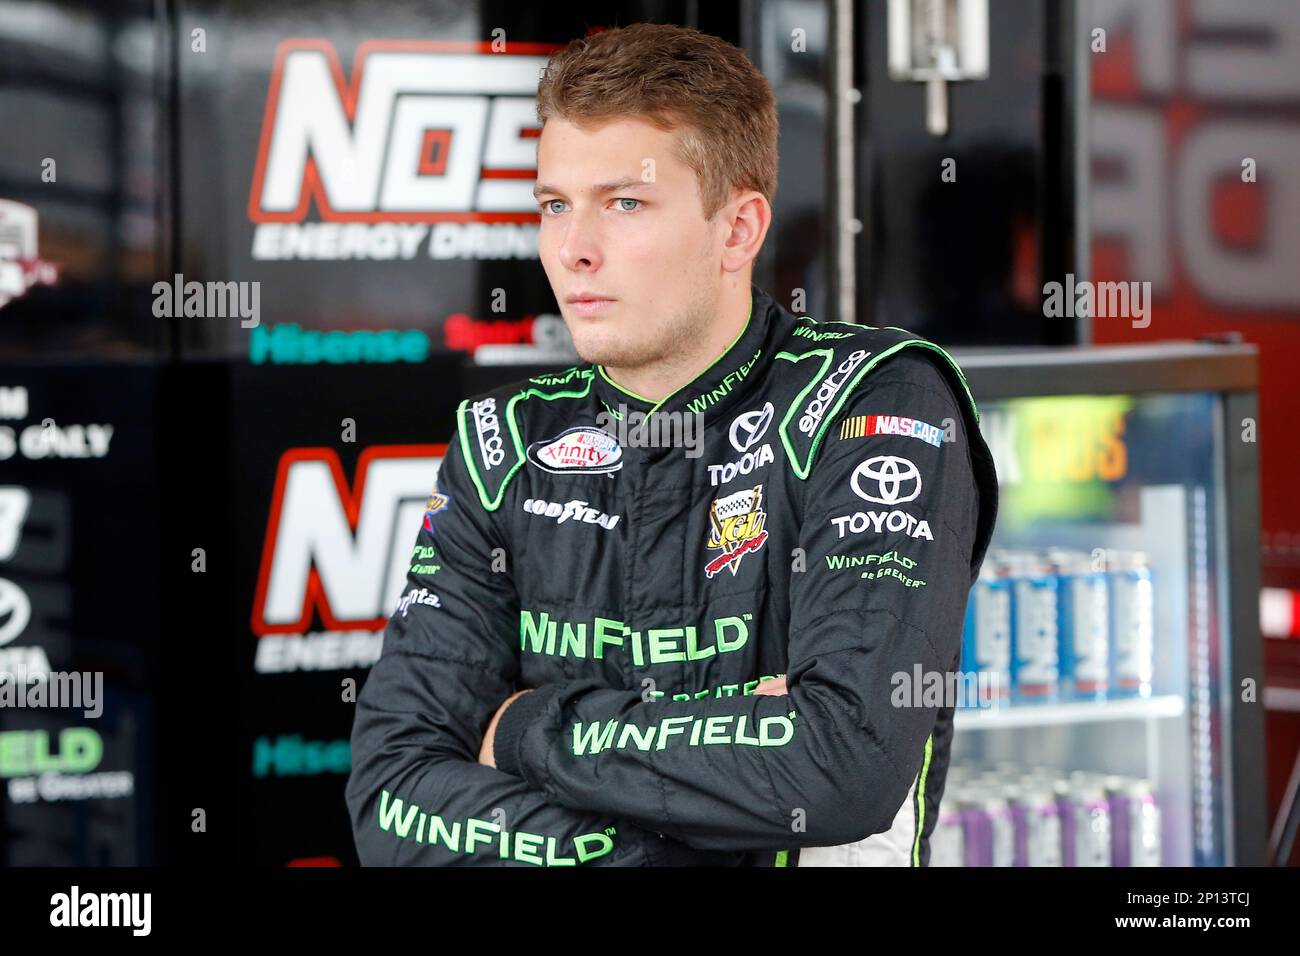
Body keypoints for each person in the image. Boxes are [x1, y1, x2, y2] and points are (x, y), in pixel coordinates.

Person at [346, 22, 998, 867]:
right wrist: (712, 830)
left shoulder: (871, 399)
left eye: (624, 203)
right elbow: (393, 795)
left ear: (737, 230)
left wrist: (522, 730)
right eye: (554, 205)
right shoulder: (504, 440)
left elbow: (840, 764)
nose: (573, 249)